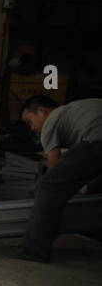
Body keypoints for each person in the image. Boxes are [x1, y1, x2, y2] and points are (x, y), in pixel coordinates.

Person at [16, 96, 102, 262]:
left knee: (50, 186)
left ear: (42, 111)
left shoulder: (52, 120)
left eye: (29, 121)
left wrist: (40, 196)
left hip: (97, 140)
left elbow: (54, 167)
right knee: (94, 191)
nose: (32, 128)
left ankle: (35, 249)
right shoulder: (74, 113)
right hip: (96, 138)